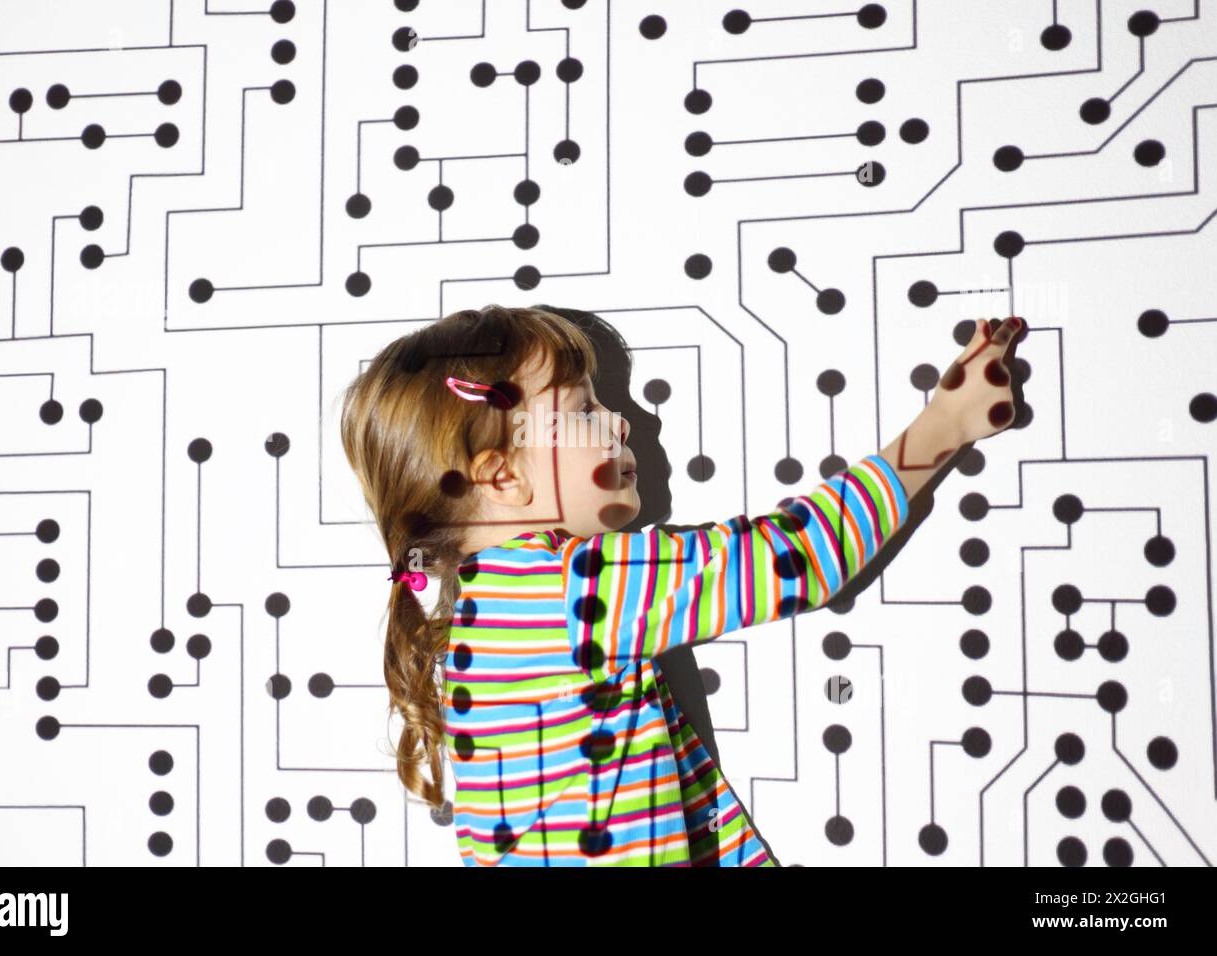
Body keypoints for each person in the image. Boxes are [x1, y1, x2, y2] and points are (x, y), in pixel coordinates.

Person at [338, 303, 1025, 865]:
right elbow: (802, 552)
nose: (623, 421)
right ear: (502, 476)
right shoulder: (576, 585)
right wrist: (948, 422)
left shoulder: (476, 621)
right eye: (582, 410)